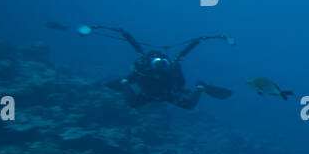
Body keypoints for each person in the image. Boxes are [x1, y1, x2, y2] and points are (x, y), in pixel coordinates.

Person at [82, 26, 234, 110]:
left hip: (168, 94)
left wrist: (179, 88)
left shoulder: (172, 68)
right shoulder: (142, 69)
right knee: (132, 102)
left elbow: (180, 82)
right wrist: (125, 83)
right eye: (157, 63)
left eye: (163, 63)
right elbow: (131, 77)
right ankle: (123, 85)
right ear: (150, 62)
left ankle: (200, 87)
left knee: (189, 105)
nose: (160, 66)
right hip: (149, 94)